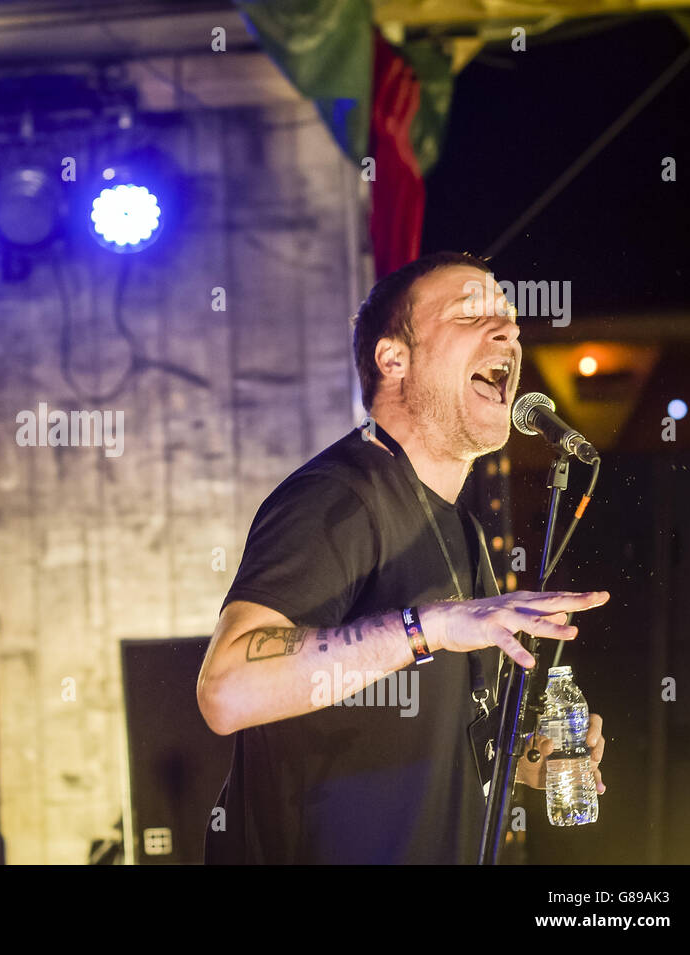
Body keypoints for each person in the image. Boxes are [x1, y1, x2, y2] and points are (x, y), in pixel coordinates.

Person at [197, 251, 610, 864]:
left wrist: (524, 759)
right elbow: (226, 690)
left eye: (508, 316)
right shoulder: (337, 497)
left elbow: (426, 729)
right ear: (395, 359)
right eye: (472, 314)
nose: (509, 330)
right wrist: (432, 626)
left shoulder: (465, 534)